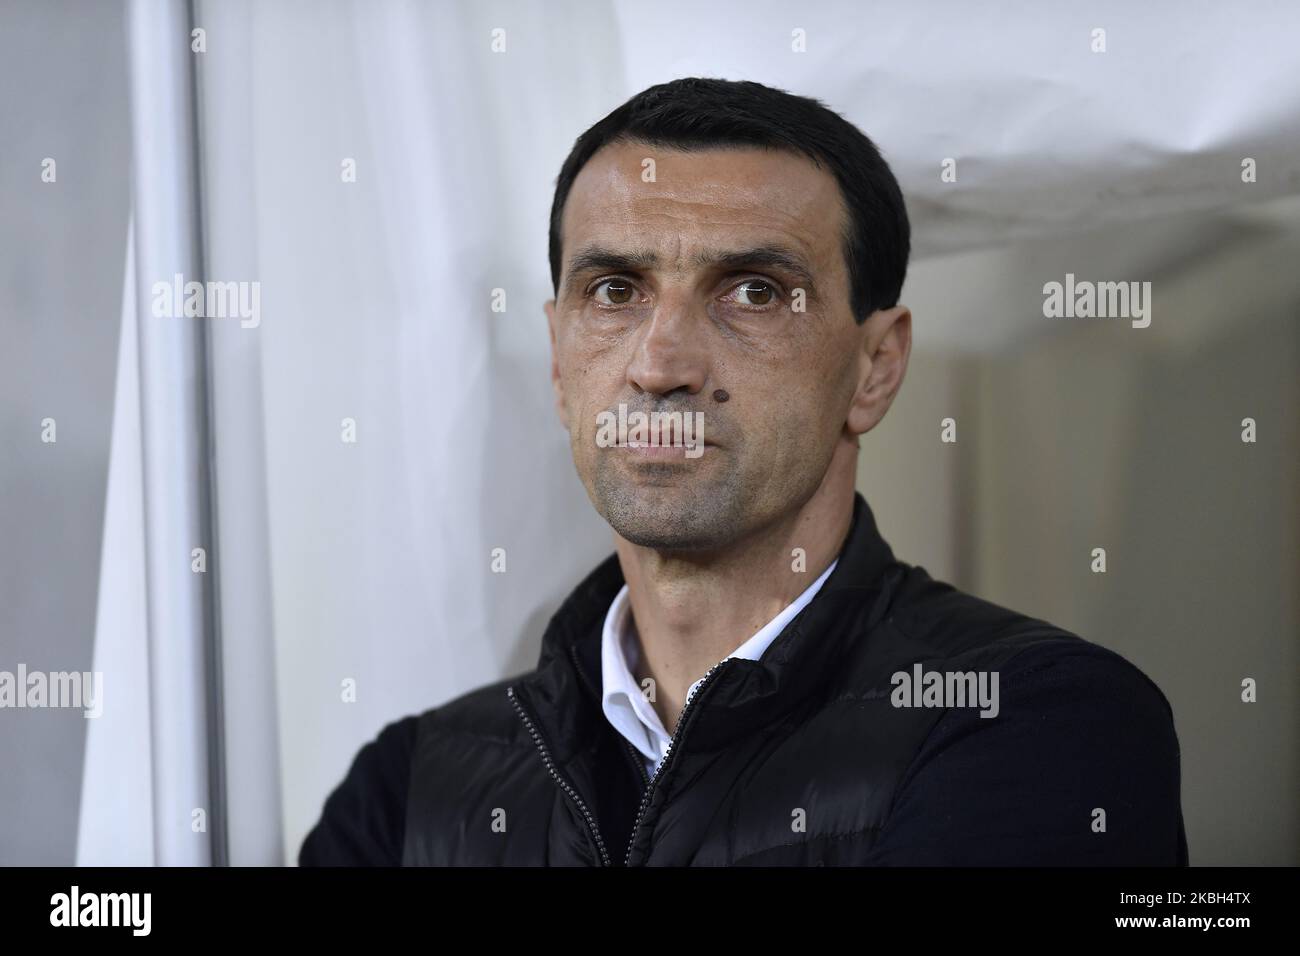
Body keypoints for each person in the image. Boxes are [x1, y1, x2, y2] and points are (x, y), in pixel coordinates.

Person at [300, 77, 1187, 866]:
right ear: (562, 364)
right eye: (614, 291)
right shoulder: (408, 789)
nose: (661, 364)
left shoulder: (1037, 721)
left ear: (875, 367)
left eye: (753, 291)